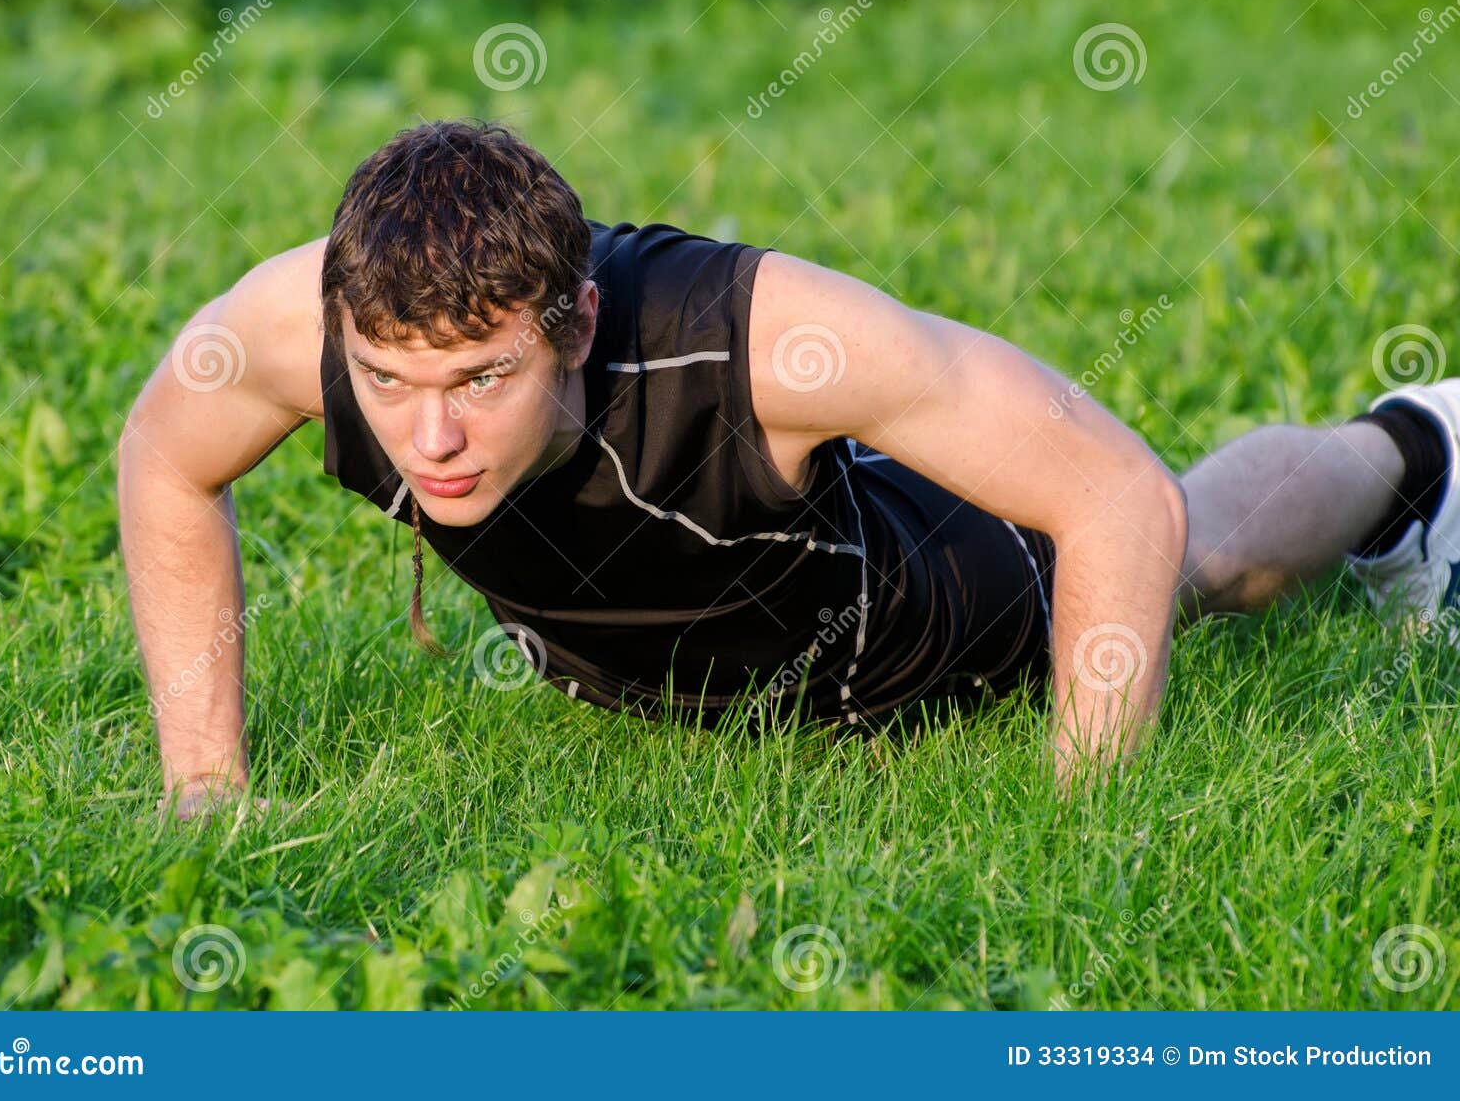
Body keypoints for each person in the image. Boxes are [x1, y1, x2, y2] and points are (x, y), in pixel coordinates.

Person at [117, 119, 1457, 819]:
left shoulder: (758, 338)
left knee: (1202, 550)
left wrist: (1087, 819)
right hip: (682, 672)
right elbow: (164, 461)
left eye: (481, 380)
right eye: (389, 384)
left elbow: (1114, 492)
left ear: (575, 326)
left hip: (921, 616)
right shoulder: (294, 333)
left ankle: (1408, 454)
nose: (431, 438)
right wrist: (205, 785)